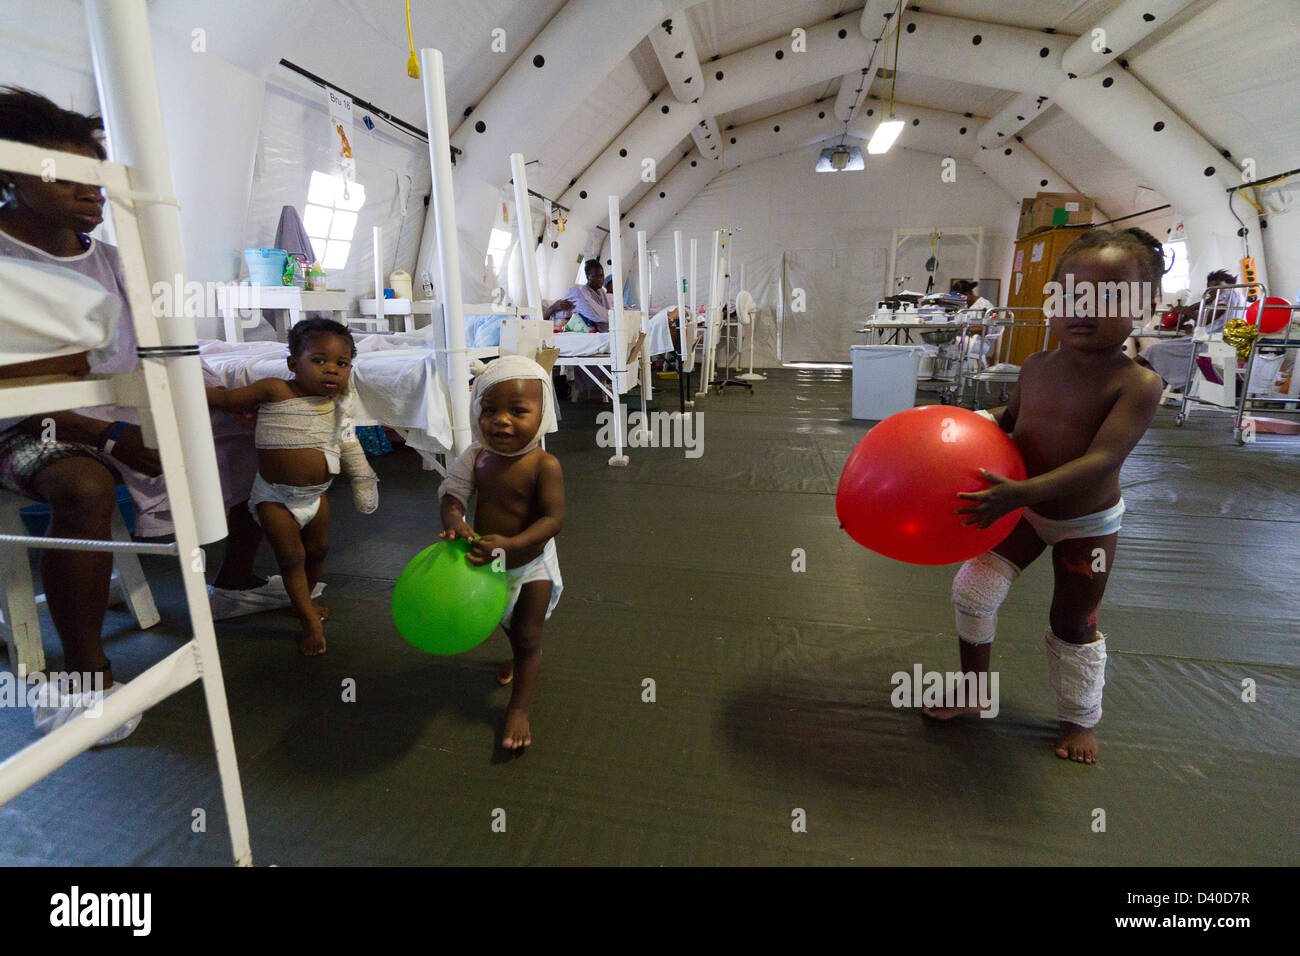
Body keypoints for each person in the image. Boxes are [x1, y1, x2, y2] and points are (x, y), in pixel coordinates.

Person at [0, 87, 264, 742]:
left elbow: (157, 356)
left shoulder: (113, 263)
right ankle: (85, 678)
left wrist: (232, 398)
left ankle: (232, 581)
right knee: (85, 486)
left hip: (104, 417)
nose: (94, 192)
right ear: (10, 174)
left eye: (99, 177)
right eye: (73, 176)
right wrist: (112, 435)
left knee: (252, 431)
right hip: (16, 427)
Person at [926, 228, 1165, 765]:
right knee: (972, 592)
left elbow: (1101, 461)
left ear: (1144, 308)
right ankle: (972, 690)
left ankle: (1080, 718)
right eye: (1073, 294)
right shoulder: (1034, 366)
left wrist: (1017, 495)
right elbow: (1009, 422)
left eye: (1110, 297)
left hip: (1087, 524)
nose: (1086, 309)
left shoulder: (1137, 385)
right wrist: (952, 428)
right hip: (1027, 510)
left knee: (1073, 624)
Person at [205, 319, 379, 655]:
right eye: (319, 361)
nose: (331, 370)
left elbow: (348, 444)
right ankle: (308, 622)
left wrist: (363, 479)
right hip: (274, 497)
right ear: (292, 364)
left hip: (316, 497)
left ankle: (301, 602)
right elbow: (227, 401)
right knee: (291, 556)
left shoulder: (338, 402)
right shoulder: (275, 390)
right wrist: (188, 389)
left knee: (318, 551)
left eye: (341, 364)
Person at [438, 356, 564, 752]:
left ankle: (519, 709)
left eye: (518, 411)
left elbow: (554, 518)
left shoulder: (544, 464)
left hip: (531, 564)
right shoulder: (476, 457)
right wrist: (456, 520)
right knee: (505, 623)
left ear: (542, 414)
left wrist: (512, 545)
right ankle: (518, 657)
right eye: (490, 411)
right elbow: (452, 493)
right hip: (488, 565)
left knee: (528, 636)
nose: (502, 421)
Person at [1137, 269, 1244, 388]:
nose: (1214, 291)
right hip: (1213, 341)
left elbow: (1205, 320)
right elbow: (1197, 312)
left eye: (1217, 286)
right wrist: (1201, 303)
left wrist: (1185, 310)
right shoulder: (1232, 297)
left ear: (1229, 284)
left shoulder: (1226, 297)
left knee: (1153, 351)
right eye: (1210, 288)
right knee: (1157, 353)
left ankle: (1120, 371)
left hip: (1209, 343)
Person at [545, 259, 610, 332]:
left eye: (601, 276)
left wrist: (609, 315)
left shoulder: (601, 291)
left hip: (604, 323)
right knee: (574, 290)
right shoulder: (584, 293)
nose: (600, 279)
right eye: (595, 276)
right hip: (590, 324)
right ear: (588, 276)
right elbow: (590, 312)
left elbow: (606, 310)